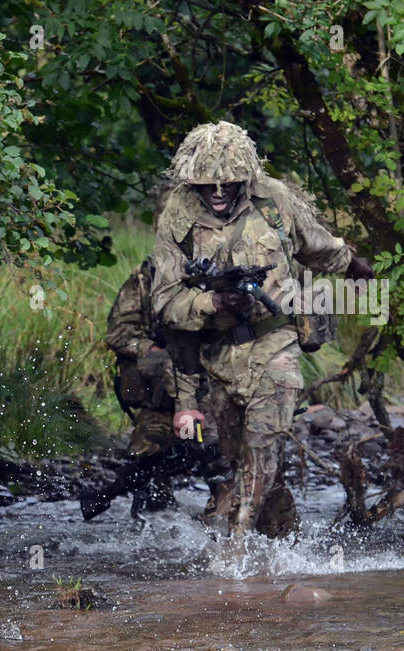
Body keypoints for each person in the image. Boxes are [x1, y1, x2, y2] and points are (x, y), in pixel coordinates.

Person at [150, 121, 373, 538]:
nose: (217, 191)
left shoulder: (273, 199)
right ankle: (278, 538)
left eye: (228, 183)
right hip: (214, 355)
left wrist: (353, 265)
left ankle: (236, 553)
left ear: (245, 178)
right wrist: (212, 302)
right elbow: (165, 303)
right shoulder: (176, 215)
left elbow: (317, 245)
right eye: (207, 184)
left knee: (262, 443)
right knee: (236, 462)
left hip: (275, 343)